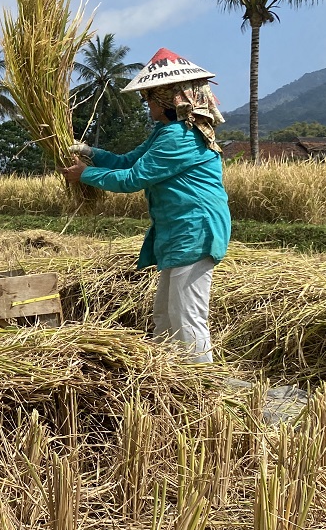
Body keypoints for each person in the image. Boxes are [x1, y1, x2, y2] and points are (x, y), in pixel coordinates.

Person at [62, 48, 230, 362]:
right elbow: (127, 161)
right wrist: (89, 151)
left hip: (194, 230)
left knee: (187, 319)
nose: (147, 106)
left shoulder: (181, 138)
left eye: (149, 99)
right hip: (178, 232)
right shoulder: (165, 133)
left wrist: (86, 175)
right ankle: (167, 383)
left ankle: (207, 389)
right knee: (165, 319)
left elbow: (132, 178)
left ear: (168, 101)